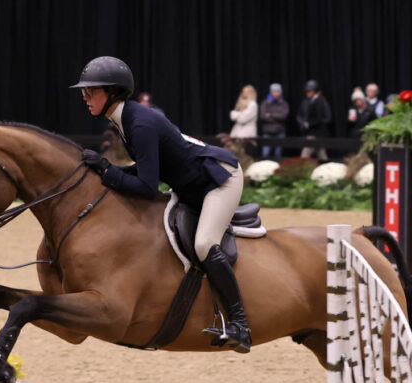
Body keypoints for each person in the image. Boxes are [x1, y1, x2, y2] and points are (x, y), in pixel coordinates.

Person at [71, 56, 251, 351]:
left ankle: (241, 325)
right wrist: (106, 170)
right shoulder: (125, 120)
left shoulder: (139, 123)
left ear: (113, 92)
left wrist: (106, 171)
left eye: (91, 91)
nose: (85, 97)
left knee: (205, 244)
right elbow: (145, 172)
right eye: (84, 92)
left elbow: (145, 187)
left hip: (220, 178)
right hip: (190, 186)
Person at [297, 79, 332, 161]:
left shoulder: (319, 101)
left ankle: (302, 171)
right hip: (316, 133)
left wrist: (308, 124)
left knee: (305, 154)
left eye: (309, 91)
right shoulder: (310, 102)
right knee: (322, 154)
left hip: (315, 133)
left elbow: (319, 119)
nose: (307, 93)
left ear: (313, 92)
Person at [258, 83, 289, 158]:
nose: (276, 93)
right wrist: (277, 116)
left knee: (278, 155)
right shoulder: (265, 103)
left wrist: (270, 114)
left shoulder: (284, 104)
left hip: (280, 132)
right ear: (271, 92)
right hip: (267, 132)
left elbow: (283, 116)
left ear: (280, 92)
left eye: (277, 91)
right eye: (274, 91)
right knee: (265, 154)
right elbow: (263, 116)